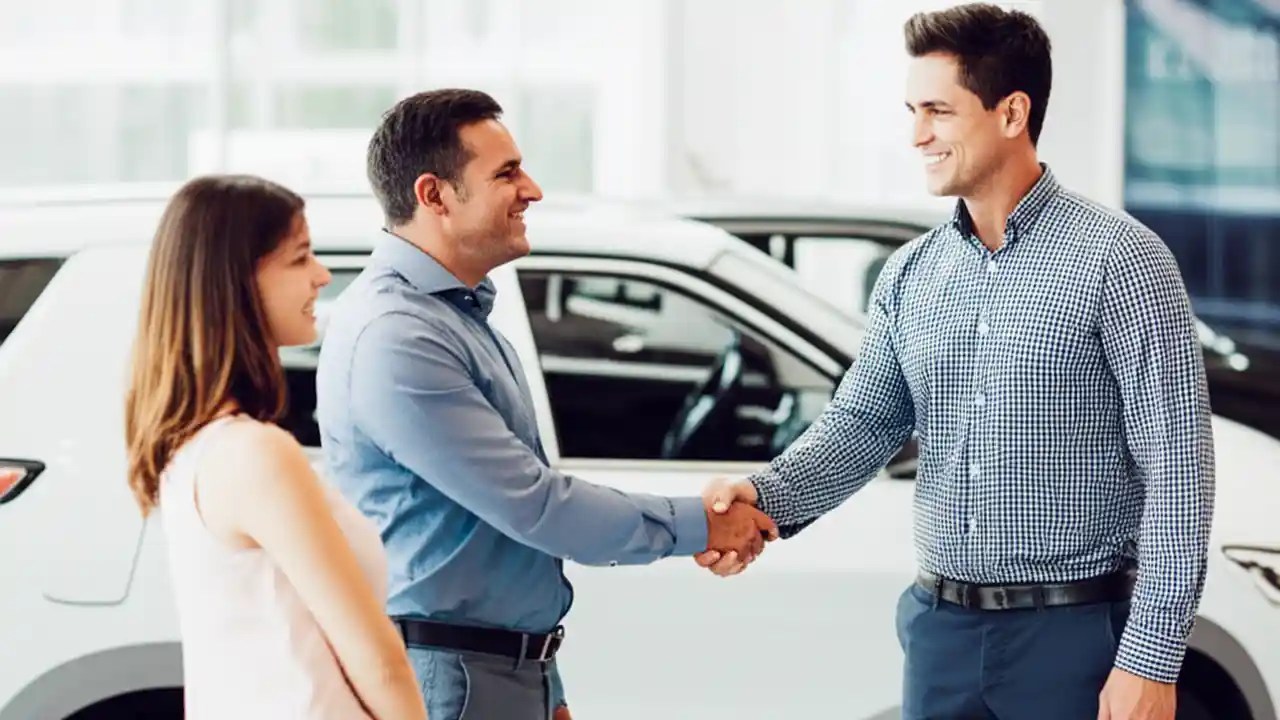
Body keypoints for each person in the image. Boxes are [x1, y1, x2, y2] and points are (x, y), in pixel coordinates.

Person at [697, 4, 1214, 719]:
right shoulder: (911, 273)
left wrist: (1151, 658)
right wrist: (764, 500)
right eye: (912, 110)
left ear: (1012, 112)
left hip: (1070, 638)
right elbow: (863, 423)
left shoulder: (1121, 261)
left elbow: (1179, 467)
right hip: (938, 631)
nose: (916, 135)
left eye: (937, 111)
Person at [315, 88, 776, 720]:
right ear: (435, 195)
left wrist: (545, 684)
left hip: (497, 668)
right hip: (454, 678)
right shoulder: (399, 335)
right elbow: (533, 504)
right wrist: (701, 522)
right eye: (506, 173)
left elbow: (506, 529)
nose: (531, 189)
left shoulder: (458, 317)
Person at [124, 175, 427, 720]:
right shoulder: (254, 453)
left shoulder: (192, 448)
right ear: (234, 280)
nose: (322, 276)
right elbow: (375, 657)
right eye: (300, 257)